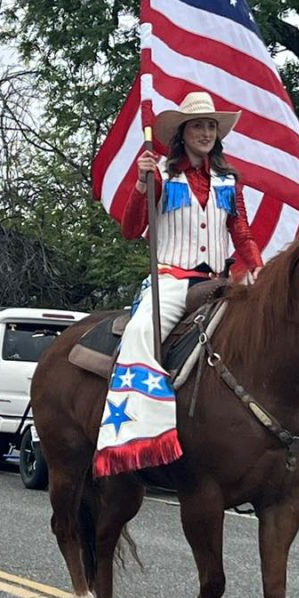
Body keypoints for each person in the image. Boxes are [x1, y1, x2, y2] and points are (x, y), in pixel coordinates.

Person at [93, 91, 263, 477]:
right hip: (171, 278)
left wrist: (256, 266)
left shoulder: (228, 180)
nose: (205, 133)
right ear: (183, 133)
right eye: (198, 126)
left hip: (219, 280)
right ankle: (136, 432)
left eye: (211, 127)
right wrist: (141, 183)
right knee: (139, 332)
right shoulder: (162, 175)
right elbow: (132, 228)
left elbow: (241, 230)